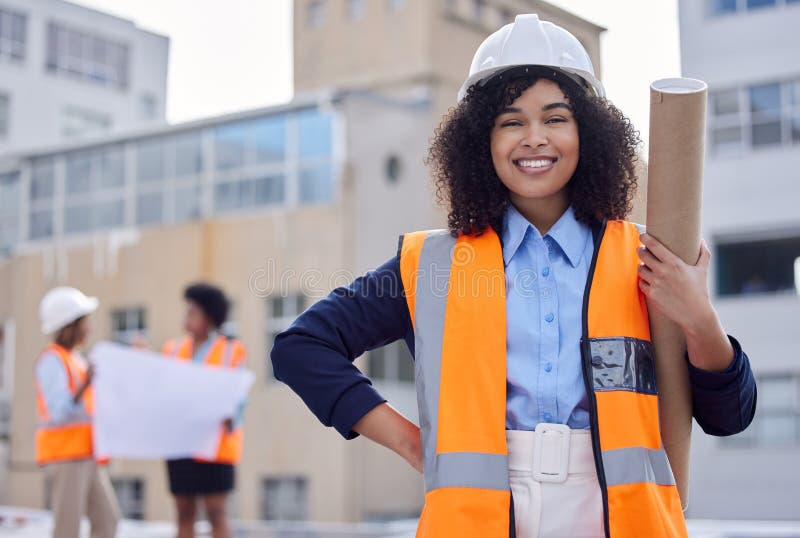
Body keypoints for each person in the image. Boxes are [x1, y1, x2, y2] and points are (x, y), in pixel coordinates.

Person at [271, 14, 757, 538]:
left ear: (587, 132)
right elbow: (301, 347)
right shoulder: (431, 266)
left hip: (616, 519)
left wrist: (699, 317)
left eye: (554, 118)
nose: (533, 139)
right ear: (482, 140)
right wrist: (413, 442)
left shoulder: (648, 256)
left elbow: (729, 416)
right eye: (510, 122)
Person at [35, 287, 121, 538]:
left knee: (107, 521)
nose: (89, 328)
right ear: (70, 324)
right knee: (67, 528)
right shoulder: (52, 361)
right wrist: (85, 385)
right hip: (66, 456)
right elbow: (58, 411)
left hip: (86, 454)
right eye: (85, 321)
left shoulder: (76, 360)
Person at [162, 283, 246, 538]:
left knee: (216, 512)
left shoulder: (232, 350)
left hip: (216, 446)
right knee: (184, 512)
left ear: (209, 316)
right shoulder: (172, 349)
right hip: (181, 444)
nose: (186, 317)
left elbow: (238, 398)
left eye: (193, 312)